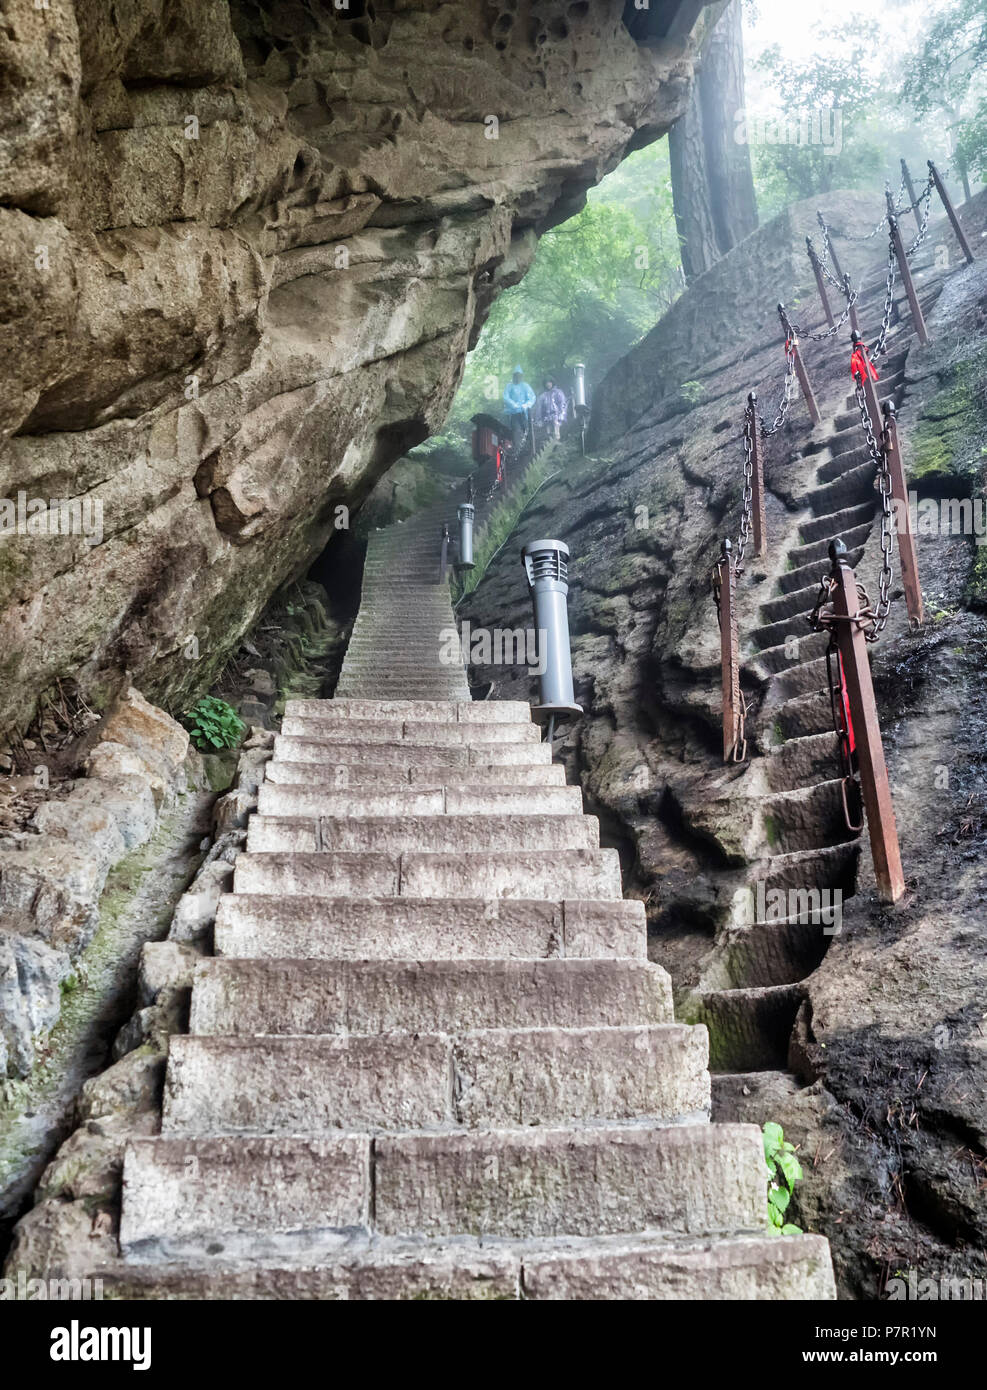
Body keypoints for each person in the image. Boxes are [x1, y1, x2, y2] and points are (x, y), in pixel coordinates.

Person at [502, 365, 535, 452]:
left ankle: (528, 446)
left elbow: (532, 397)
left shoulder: (525, 386)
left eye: (519, 375)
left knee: (526, 428)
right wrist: (513, 404)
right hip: (513, 413)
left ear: (521, 376)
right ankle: (518, 448)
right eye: (516, 375)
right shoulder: (509, 386)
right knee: (516, 430)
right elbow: (506, 397)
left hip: (524, 412)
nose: (517, 377)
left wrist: (527, 405)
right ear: (514, 376)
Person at [535, 377, 567, 441]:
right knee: (548, 434)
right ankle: (550, 448)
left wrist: (562, 415)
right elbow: (539, 409)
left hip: (556, 416)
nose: (548, 384)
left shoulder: (558, 392)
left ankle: (557, 446)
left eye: (549, 382)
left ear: (552, 383)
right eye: (546, 383)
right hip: (547, 418)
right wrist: (538, 420)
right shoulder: (543, 396)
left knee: (556, 434)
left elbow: (563, 404)